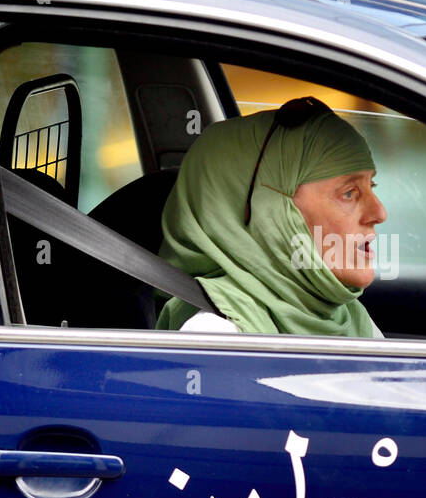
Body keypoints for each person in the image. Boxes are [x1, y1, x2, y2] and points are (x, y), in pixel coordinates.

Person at [155, 96, 388, 337]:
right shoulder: (218, 333)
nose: (380, 213)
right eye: (349, 193)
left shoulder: (349, 317)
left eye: (372, 185)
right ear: (268, 211)